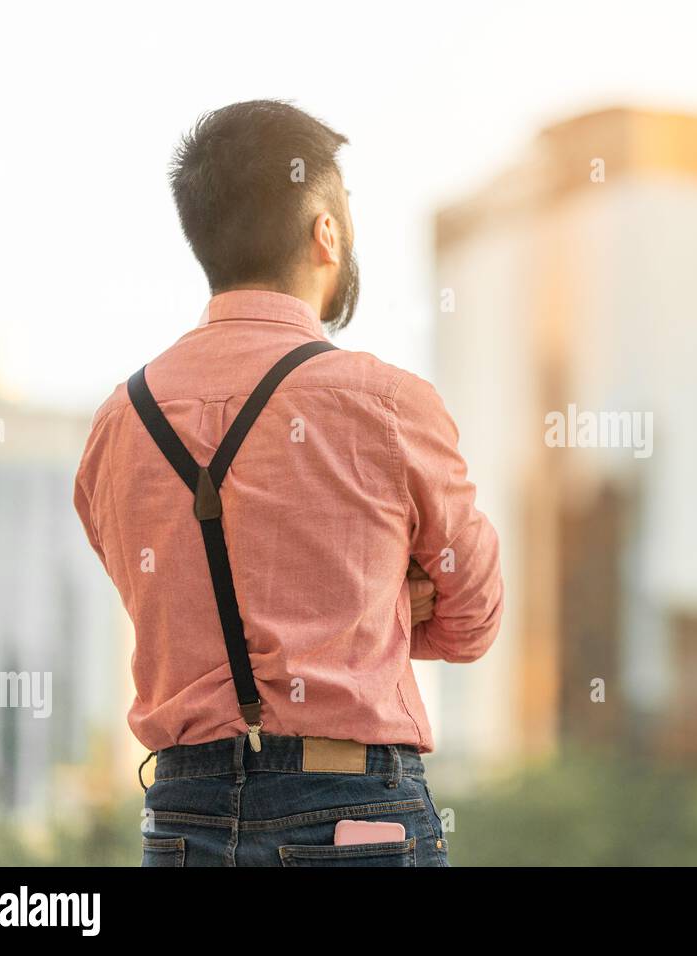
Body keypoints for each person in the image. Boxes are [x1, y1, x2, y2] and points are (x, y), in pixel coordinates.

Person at [72, 100, 503, 867]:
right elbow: (472, 617)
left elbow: (170, 603)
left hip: (179, 822)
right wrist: (382, 604)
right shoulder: (386, 404)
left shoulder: (116, 426)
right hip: (354, 820)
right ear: (325, 233)